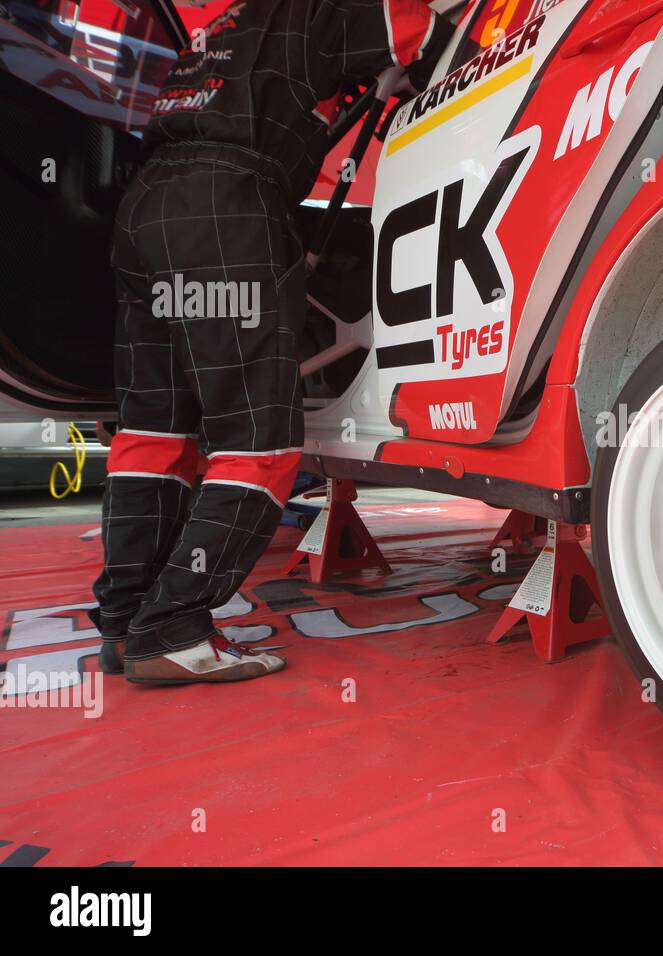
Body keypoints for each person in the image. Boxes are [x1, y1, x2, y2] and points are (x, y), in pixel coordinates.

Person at [90, 0, 448, 684]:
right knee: (259, 441)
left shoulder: (221, 24)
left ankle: (124, 622)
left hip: (147, 206)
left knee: (153, 431)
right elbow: (430, 32)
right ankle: (171, 627)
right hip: (229, 201)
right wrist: (411, 74)